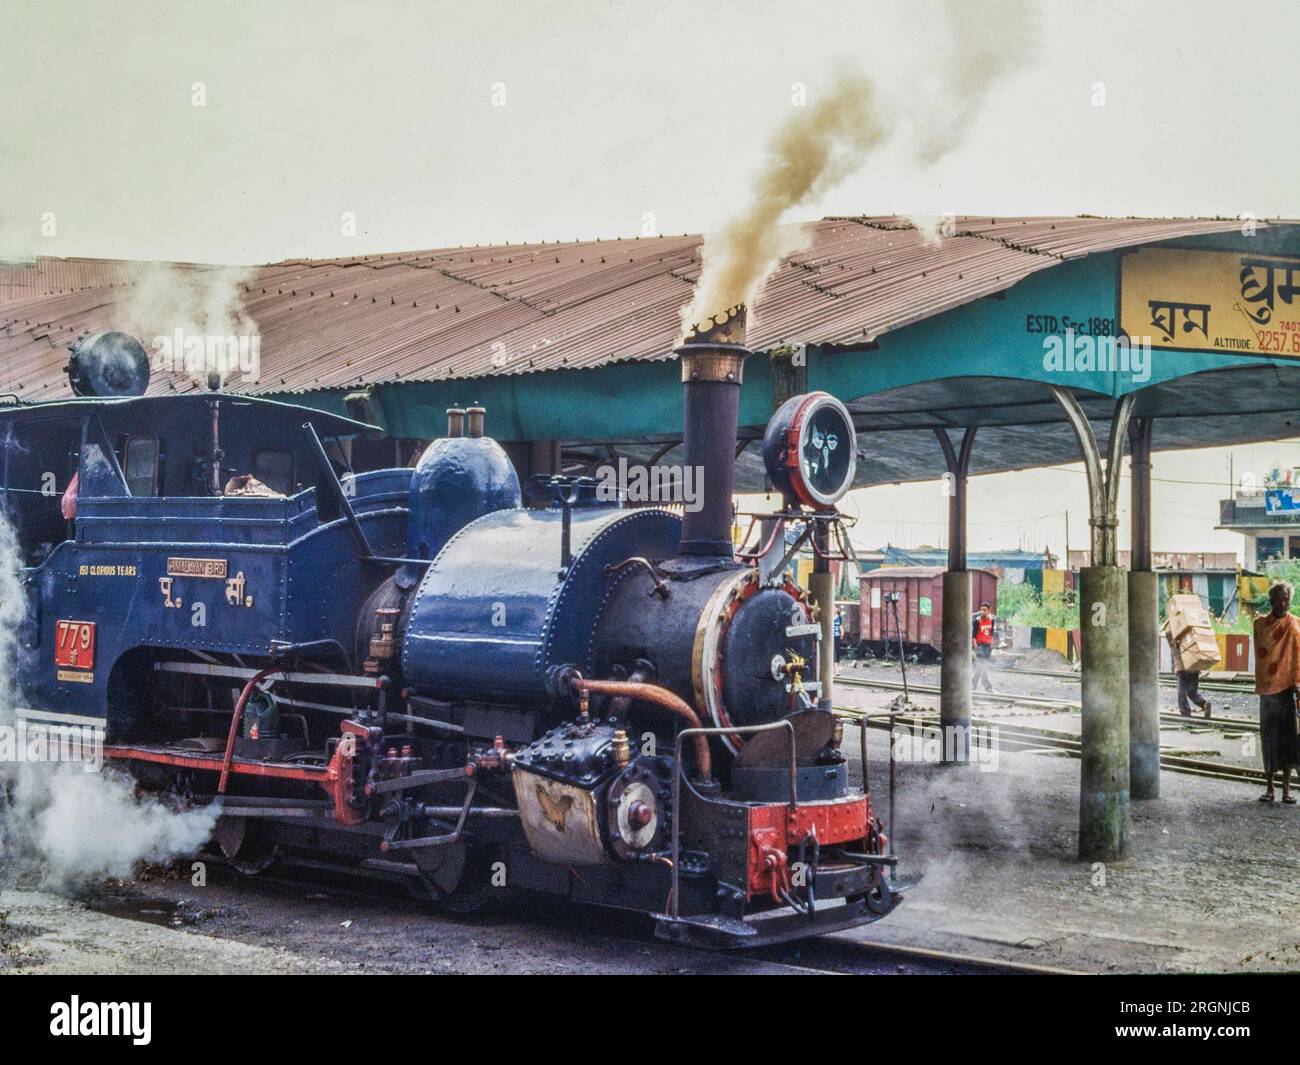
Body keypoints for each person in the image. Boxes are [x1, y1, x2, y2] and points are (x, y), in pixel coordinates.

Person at [1252, 581, 1300, 804]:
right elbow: (1263, 658)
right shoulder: (1260, 626)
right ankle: (1269, 788)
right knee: (1269, 740)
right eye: (1279, 599)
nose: (1283, 603)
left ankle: (1286, 791)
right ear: (1270, 600)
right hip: (1268, 693)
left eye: (1286, 599)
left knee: (1289, 741)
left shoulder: (1296, 625)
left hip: (1289, 692)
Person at [1163, 621, 1212, 719]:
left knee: (1181, 691)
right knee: (1192, 691)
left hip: (1182, 668)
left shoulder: (1172, 635)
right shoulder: (1190, 633)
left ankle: (1185, 714)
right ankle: (1204, 704)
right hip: (1194, 666)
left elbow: (1167, 633)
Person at [972, 600, 996, 692]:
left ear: (989, 610)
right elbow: (973, 636)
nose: (982, 612)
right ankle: (987, 686)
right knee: (983, 665)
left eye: (984, 610)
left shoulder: (992, 620)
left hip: (987, 646)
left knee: (982, 666)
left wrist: (991, 645)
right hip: (979, 645)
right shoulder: (977, 621)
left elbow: (991, 633)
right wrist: (976, 648)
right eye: (981, 610)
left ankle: (973, 683)